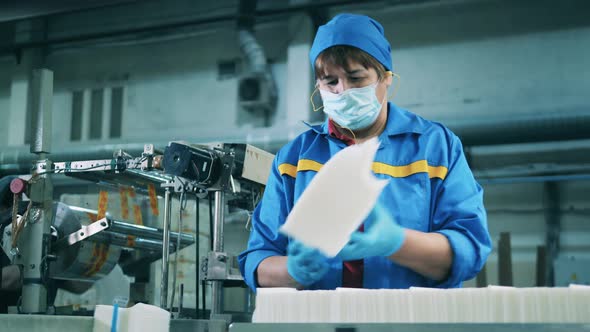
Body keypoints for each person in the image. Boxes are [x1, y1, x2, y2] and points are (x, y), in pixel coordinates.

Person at [238, 13, 491, 291]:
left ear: (386, 78)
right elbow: (257, 260)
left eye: (356, 78)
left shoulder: (436, 148)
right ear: (318, 86)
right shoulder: (293, 160)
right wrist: (292, 270)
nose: (343, 91)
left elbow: (470, 250)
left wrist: (398, 243)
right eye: (330, 81)